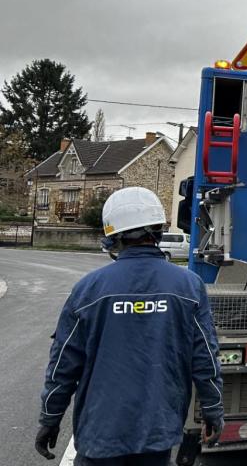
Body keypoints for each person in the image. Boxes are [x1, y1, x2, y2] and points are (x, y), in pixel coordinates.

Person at [35, 187, 224, 465]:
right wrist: (212, 409)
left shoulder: (88, 289)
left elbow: (63, 364)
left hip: (100, 433)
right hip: (157, 432)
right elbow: (205, 357)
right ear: (158, 230)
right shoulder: (189, 286)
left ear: (114, 235)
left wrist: (50, 417)